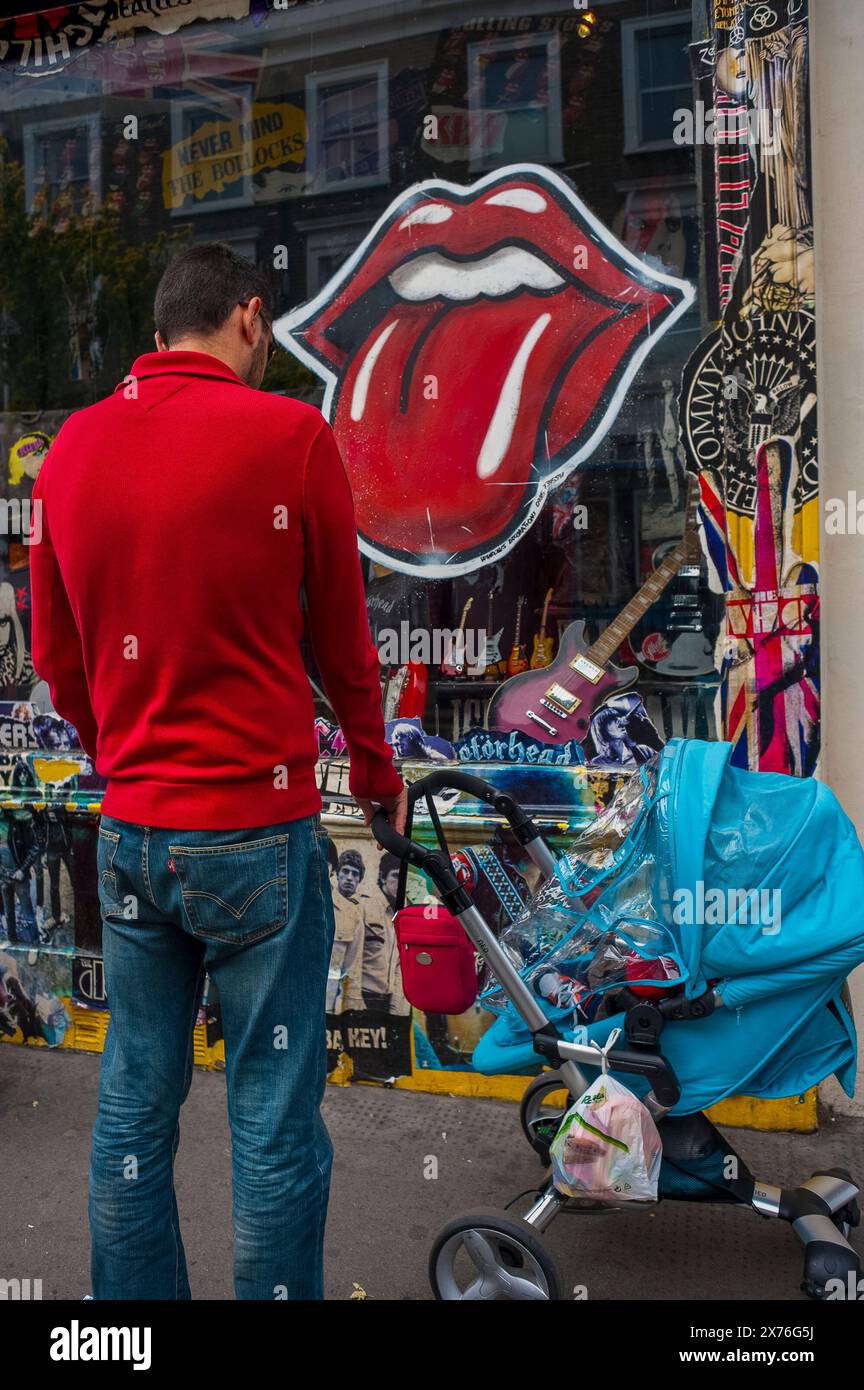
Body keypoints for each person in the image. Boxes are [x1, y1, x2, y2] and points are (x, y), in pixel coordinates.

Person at [30, 242, 407, 1302]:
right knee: (273, 1118)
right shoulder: (289, 436)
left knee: (133, 1107)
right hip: (259, 837)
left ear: (156, 337)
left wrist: (122, 756)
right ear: (250, 317)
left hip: (135, 836)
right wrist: (377, 775)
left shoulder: (70, 452)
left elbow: (56, 655)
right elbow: (343, 648)